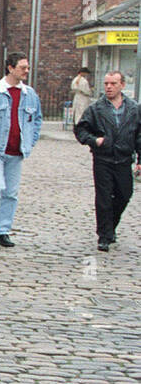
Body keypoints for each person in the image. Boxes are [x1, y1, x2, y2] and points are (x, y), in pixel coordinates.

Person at [0, 51, 42, 247]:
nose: (26, 71)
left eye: (27, 68)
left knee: (11, 193)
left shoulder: (30, 95)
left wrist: (30, 141)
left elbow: (37, 119)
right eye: (23, 68)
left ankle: (3, 230)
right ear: (10, 68)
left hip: (17, 151)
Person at [74, 69, 138, 251]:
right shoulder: (96, 109)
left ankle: (110, 226)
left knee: (124, 194)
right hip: (103, 158)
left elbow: (139, 135)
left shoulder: (133, 108)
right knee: (104, 198)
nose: (109, 87)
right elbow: (81, 130)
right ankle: (104, 235)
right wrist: (95, 140)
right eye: (106, 84)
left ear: (122, 85)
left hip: (124, 158)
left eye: (113, 84)